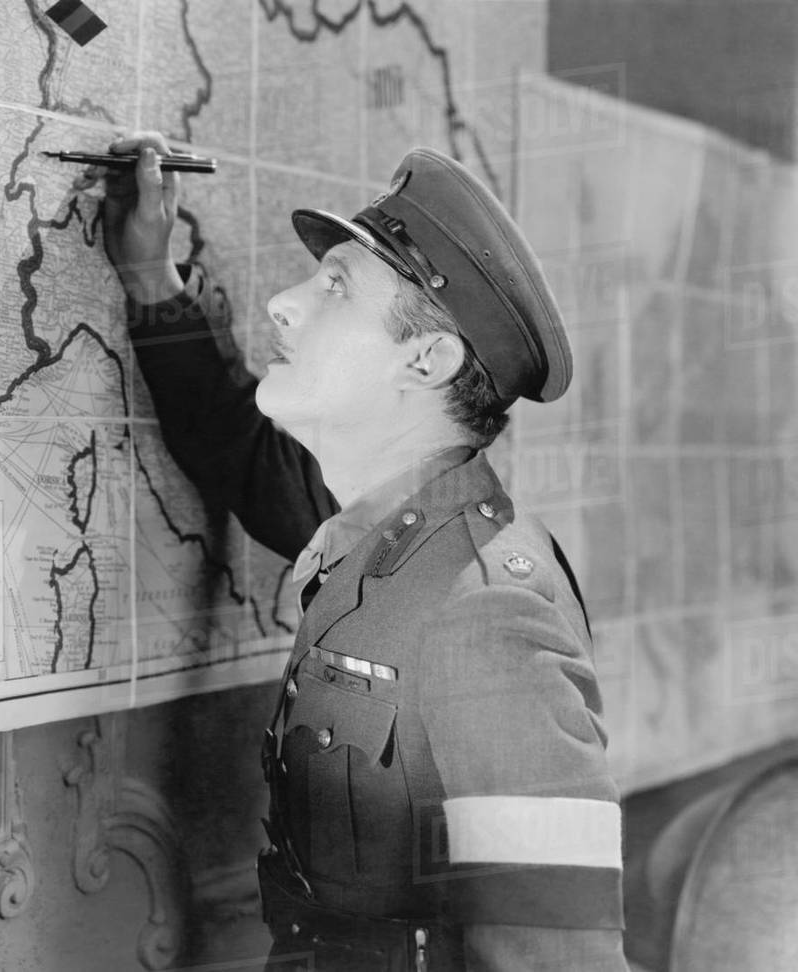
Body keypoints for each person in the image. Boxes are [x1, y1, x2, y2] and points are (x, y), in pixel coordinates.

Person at [101, 132, 628, 971]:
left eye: (334, 288)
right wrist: (149, 281)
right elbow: (237, 446)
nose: (283, 301)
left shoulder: (482, 615)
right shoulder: (387, 533)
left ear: (427, 361)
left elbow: (559, 962)